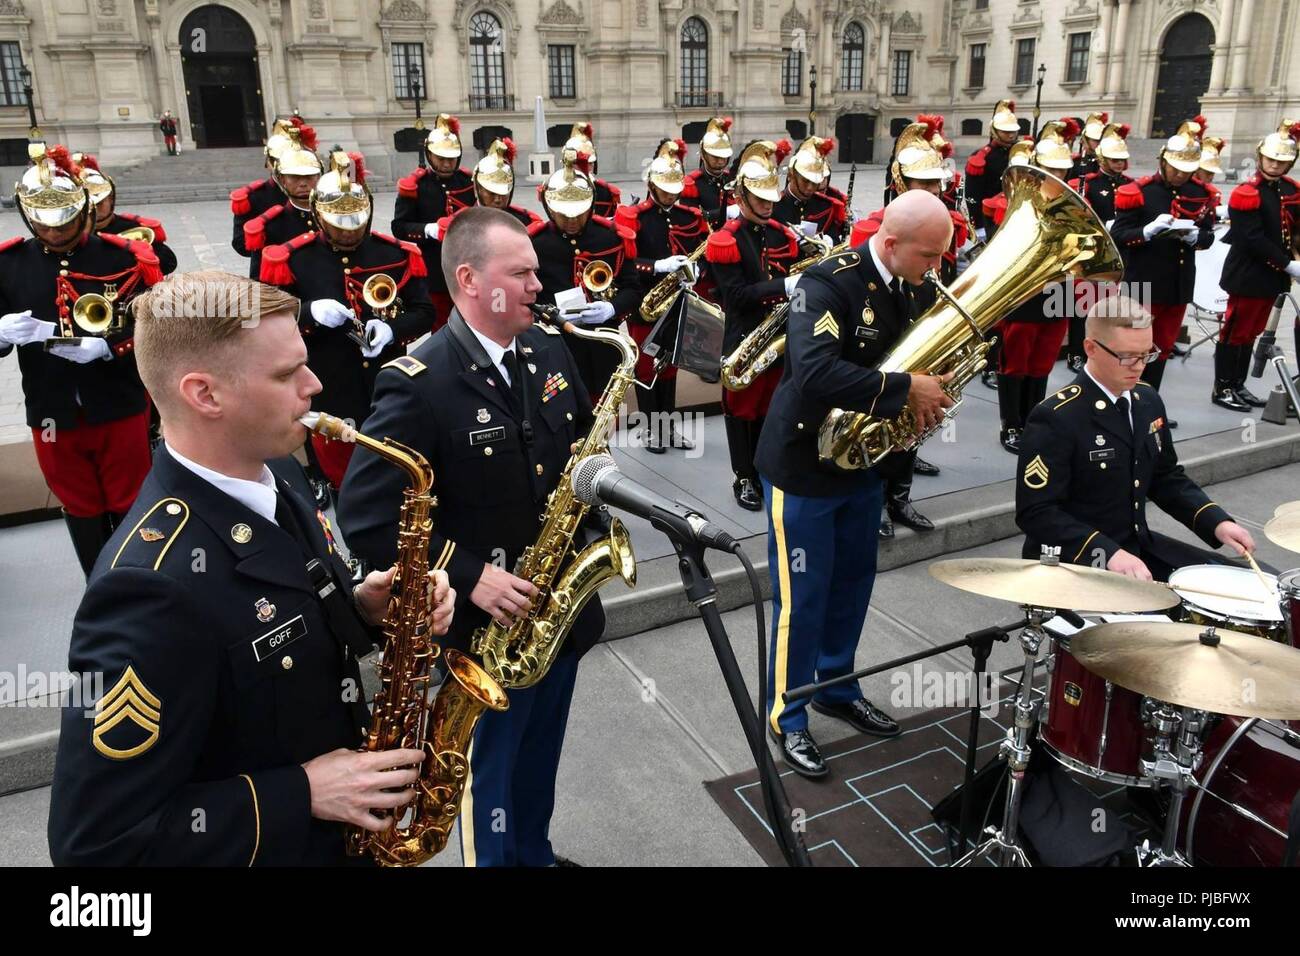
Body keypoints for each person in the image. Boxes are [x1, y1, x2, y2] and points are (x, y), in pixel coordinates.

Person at [47, 270, 456, 865]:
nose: (315, 385)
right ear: (205, 394)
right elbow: (96, 846)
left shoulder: (277, 470)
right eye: (288, 374)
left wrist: (366, 610)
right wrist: (302, 794)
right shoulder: (147, 589)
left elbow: (284, 614)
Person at [337, 207, 604, 867]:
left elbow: (571, 452)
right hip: (482, 631)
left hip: (552, 613)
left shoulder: (546, 346)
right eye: (523, 273)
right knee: (494, 775)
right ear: (470, 280)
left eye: (537, 272)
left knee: (539, 759)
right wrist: (468, 574)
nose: (540, 286)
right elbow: (367, 517)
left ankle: (534, 854)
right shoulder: (416, 382)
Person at [754, 190, 955, 778]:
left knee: (852, 585)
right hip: (804, 466)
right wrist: (905, 389)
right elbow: (814, 371)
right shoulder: (825, 284)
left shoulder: (912, 284)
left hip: (861, 464)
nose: (935, 268)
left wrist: (934, 389)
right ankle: (787, 717)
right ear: (891, 244)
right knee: (804, 597)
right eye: (928, 256)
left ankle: (835, 688)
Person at [0, 144, 162, 576]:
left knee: (131, 498)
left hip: (117, 401)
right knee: (79, 503)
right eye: (44, 223)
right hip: (51, 409)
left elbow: (156, 322)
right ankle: (99, 584)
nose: (55, 232)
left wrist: (111, 346)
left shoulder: (123, 256)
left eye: (65, 221)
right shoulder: (8, 263)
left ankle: (142, 579)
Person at [1016, 293, 1255, 581]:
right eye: (1127, 356)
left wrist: (1215, 521)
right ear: (1090, 348)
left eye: (1146, 354)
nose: (1140, 365)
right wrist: (1108, 553)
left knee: (1249, 581)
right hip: (1075, 562)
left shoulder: (1146, 399)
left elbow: (1165, 477)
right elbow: (1037, 512)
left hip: (1137, 547)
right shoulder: (1057, 416)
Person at [258, 150, 434, 489]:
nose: (349, 234)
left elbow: (424, 311)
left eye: (355, 225)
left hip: (386, 379)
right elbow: (265, 318)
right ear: (319, 217)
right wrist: (308, 312)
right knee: (342, 472)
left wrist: (391, 329)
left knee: (392, 467)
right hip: (330, 381)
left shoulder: (394, 253)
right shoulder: (293, 258)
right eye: (339, 227)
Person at [856, 118, 966, 536]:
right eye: (923, 184)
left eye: (936, 184)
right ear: (901, 183)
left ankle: (900, 497)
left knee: (914, 427)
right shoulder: (874, 228)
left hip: (927, 331)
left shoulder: (946, 225)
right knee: (883, 422)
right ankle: (877, 501)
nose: (933, 191)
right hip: (886, 340)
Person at [707, 139, 803, 511]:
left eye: (770, 199)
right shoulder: (725, 239)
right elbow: (736, 296)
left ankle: (766, 470)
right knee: (742, 409)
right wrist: (784, 286)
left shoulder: (779, 231)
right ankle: (743, 476)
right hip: (745, 336)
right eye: (760, 199)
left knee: (770, 407)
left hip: (779, 333)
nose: (767, 205)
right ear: (741, 197)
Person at [1111, 117, 1216, 400]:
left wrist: (1197, 238)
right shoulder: (1140, 191)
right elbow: (1120, 234)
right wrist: (1147, 231)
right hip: (1143, 282)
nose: (1181, 175)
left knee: (1163, 346)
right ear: (1163, 161)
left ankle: (1148, 403)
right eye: (1176, 168)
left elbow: (1209, 235)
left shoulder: (1200, 193)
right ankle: (1124, 400)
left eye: (1187, 170)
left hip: (1177, 285)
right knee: (1134, 347)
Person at [615, 138, 708, 452]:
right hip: (646, 304)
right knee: (645, 367)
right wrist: (657, 266)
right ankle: (650, 429)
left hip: (679, 300)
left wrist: (699, 272)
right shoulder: (636, 217)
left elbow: (703, 253)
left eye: (674, 188)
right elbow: (627, 262)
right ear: (652, 186)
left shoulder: (690, 217)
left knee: (670, 366)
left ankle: (668, 428)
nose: (670, 194)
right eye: (664, 188)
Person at [528, 150, 640, 405]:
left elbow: (633, 290)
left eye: (578, 213)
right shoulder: (534, 243)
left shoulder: (611, 237)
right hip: (556, 347)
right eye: (563, 214)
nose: (571, 220)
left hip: (602, 345)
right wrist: (549, 314)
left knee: (603, 419)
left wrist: (611, 308)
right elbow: (525, 299)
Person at [1217, 119, 1300, 410]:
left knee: (1251, 333)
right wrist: (1288, 264)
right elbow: (1251, 238)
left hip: (1272, 277)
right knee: (1234, 332)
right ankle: (1223, 387)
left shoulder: (1291, 189)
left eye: (1282, 161)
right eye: (1271, 159)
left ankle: (1238, 385)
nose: (1275, 165)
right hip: (1248, 274)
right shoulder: (1246, 192)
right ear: (1261, 156)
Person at [391, 112, 477, 330]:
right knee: (442, 327)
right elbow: (399, 227)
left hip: (468, 263)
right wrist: (430, 229)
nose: (447, 163)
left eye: (451, 158)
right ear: (429, 155)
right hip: (435, 269)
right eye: (441, 158)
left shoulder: (467, 181)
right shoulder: (415, 185)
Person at [1066, 122, 1133, 369]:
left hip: (1120, 249)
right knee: (1083, 306)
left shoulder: (1130, 184)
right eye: (1114, 160)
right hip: (1095, 250)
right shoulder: (1089, 183)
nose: (1119, 165)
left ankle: (1103, 348)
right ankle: (1076, 353)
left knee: (1109, 305)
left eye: (1122, 160)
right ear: (1103, 159)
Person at [239, 124, 322, 280]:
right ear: (283, 179)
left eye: (309, 176)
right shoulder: (270, 226)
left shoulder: (330, 217)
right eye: (295, 177)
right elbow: (262, 281)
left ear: (319, 177)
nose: (303, 183)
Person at [75, 152, 178, 275]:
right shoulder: (73, 235)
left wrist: (144, 258)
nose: (94, 211)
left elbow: (169, 263)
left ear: (111, 199)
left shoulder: (133, 227)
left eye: (99, 204)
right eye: (87, 208)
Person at [774, 136, 848, 243]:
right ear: (791, 175)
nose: (810, 188)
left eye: (814, 183)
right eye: (805, 181)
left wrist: (829, 241)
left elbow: (836, 240)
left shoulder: (825, 205)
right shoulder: (774, 206)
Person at [965, 100, 1022, 237]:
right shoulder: (981, 158)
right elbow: (973, 195)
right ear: (994, 130)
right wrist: (978, 225)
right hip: (990, 219)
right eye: (1005, 131)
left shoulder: (1024, 153)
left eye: (1013, 131)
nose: (1011, 135)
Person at [681, 116, 737, 228]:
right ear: (703, 154)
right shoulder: (691, 183)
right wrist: (723, 213)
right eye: (715, 157)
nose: (721, 161)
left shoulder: (731, 179)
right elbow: (690, 221)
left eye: (724, 156)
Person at [1069, 111, 1109, 180]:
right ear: (1085, 140)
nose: (1099, 143)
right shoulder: (1074, 163)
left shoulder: (1109, 163)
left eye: (1101, 140)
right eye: (1096, 140)